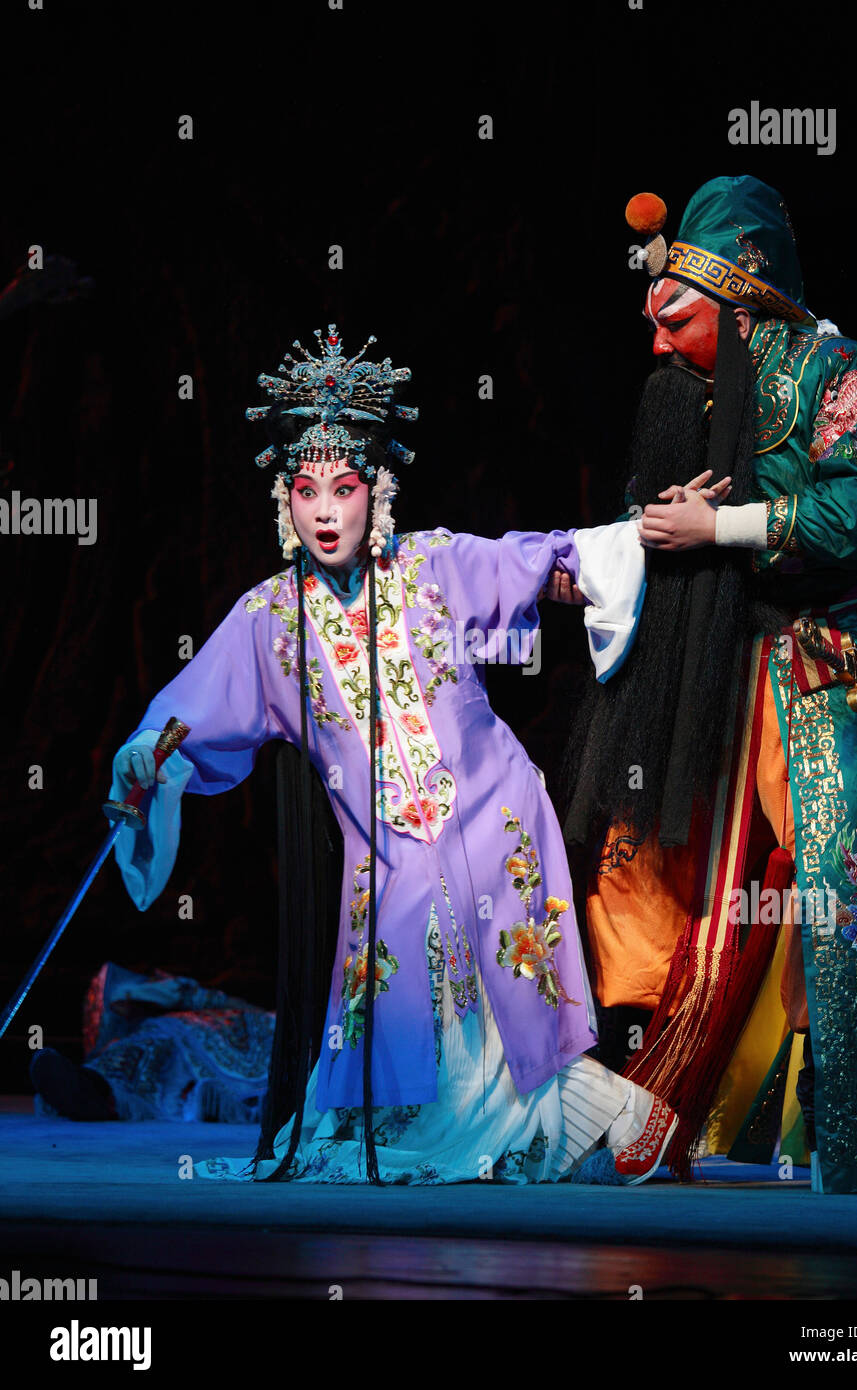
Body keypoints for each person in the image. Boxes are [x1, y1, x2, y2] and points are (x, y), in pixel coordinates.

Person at [107, 324, 702, 1186]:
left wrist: (636, 537)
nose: (322, 511)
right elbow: (185, 719)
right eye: (304, 490)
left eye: (342, 489)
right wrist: (143, 762)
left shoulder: (433, 568)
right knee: (420, 1062)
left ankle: (602, 1114)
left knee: (501, 1020)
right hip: (384, 859)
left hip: (494, 818)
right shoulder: (271, 622)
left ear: (375, 494)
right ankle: (619, 1115)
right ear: (284, 502)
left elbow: (541, 563)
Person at [564, 177, 857, 1195]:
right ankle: (662, 1114)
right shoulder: (693, 393)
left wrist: (718, 526)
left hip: (821, 669)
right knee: (673, 890)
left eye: (672, 319)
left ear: (743, 298)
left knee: (833, 898)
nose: (654, 343)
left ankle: (835, 1151)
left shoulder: (840, 372)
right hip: (712, 678)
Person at [30, 960, 274, 1123]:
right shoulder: (125, 987)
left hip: (184, 1037)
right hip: (175, 1036)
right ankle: (93, 1090)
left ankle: (96, 1093)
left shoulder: (122, 987)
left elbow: (195, 996)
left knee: (139, 1061)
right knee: (130, 1060)